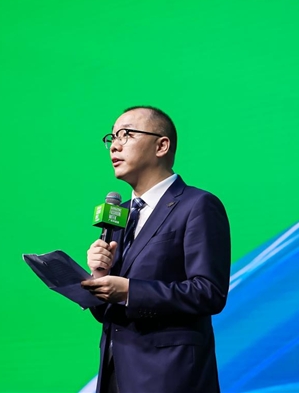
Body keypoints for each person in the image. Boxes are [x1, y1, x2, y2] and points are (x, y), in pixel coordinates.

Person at [81, 106, 231, 393]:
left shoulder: (197, 205)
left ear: (161, 145)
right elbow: (109, 314)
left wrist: (129, 291)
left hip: (170, 376)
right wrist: (98, 276)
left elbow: (209, 292)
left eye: (126, 134)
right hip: (115, 375)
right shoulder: (120, 214)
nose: (115, 144)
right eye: (111, 137)